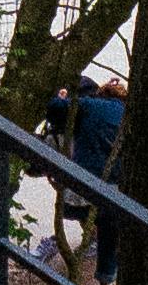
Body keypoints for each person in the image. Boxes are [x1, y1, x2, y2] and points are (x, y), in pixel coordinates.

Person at [52, 70, 127, 267]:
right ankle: (106, 281)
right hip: (113, 194)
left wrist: (60, 98)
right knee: (109, 229)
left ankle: (85, 236)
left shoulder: (88, 107)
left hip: (76, 197)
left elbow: (56, 109)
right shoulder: (126, 114)